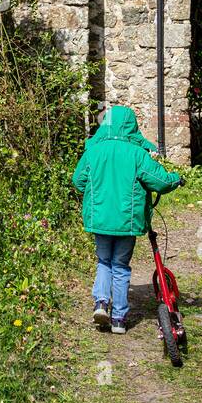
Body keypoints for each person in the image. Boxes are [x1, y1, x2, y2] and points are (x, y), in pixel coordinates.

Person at [72, 104, 181, 334]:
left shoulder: (93, 151)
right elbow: (159, 180)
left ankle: (101, 302)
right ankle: (119, 319)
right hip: (126, 221)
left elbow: (79, 181)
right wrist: (176, 179)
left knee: (103, 261)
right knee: (120, 266)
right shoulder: (136, 153)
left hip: (100, 218)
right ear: (131, 126)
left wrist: (96, 192)